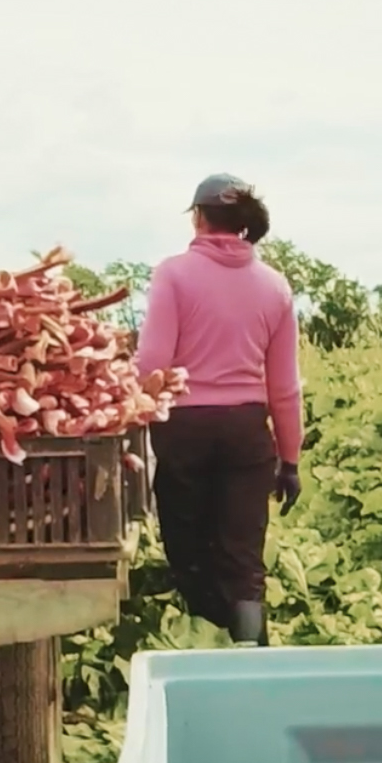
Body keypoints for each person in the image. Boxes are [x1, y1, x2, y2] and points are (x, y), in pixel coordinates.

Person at [134, 173, 305, 646]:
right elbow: (285, 388)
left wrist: (136, 412)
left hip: (183, 430)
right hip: (246, 432)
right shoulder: (274, 287)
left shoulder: (173, 274)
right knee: (242, 557)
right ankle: (251, 657)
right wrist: (289, 460)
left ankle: (205, 643)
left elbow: (151, 363)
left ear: (199, 218)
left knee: (189, 550)